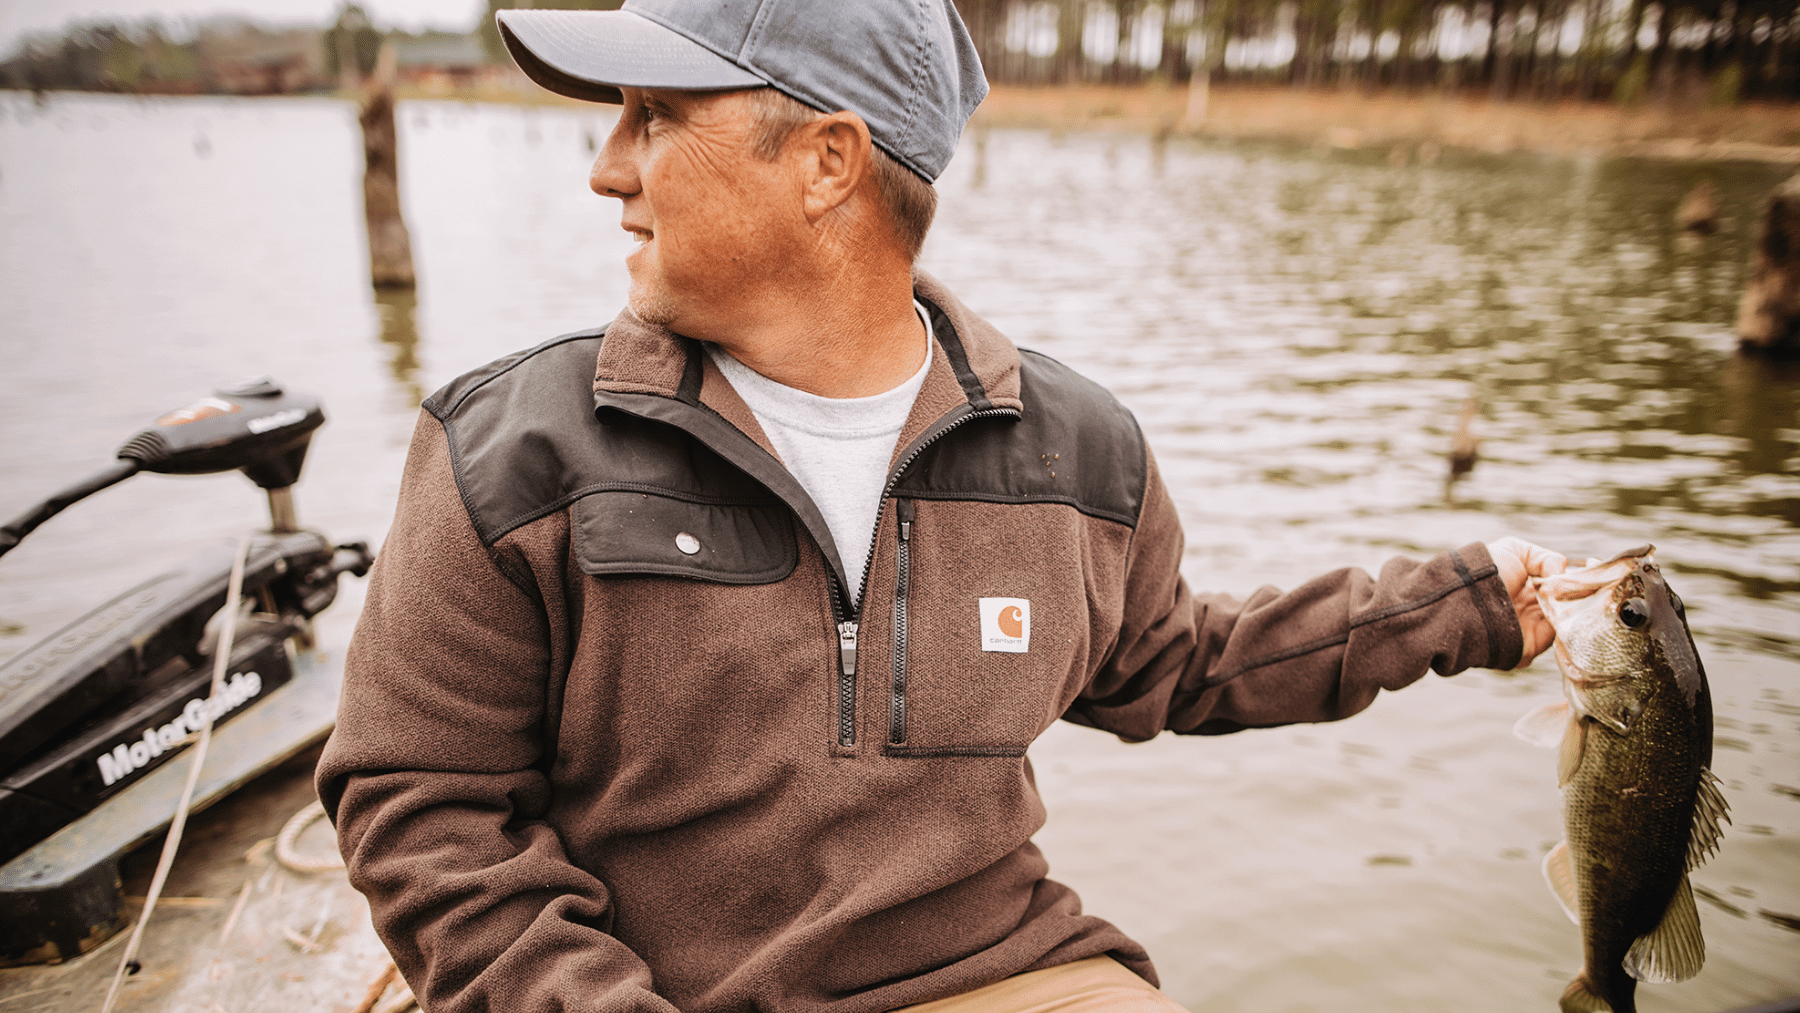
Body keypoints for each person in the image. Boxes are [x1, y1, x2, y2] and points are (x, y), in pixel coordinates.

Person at [316, 2, 1568, 1011]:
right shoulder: (509, 448)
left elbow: (1176, 662)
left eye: (655, 116)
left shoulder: (1081, 453)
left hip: (1009, 972)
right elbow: (422, 806)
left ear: (827, 161)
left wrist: (1459, 605)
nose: (606, 168)